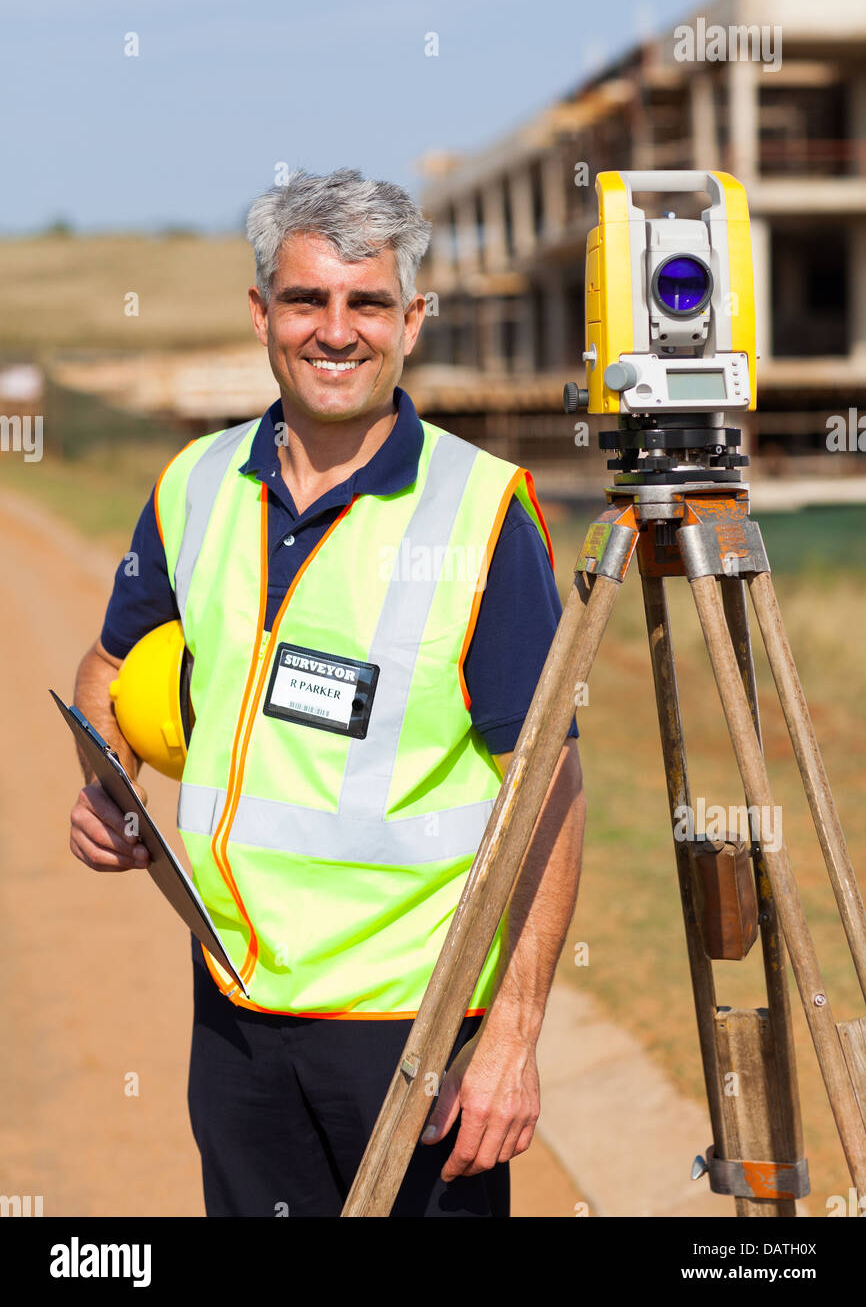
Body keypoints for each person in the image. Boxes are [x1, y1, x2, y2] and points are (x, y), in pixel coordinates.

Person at [68, 166, 585, 1218]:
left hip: (415, 1031)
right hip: (236, 1007)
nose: (335, 330)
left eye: (368, 302)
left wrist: (513, 1039)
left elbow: (546, 784)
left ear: (412, 320)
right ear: (262, 312)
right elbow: (114, 665)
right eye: (307, 299)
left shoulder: (479, 512)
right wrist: (108, 774)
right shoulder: (195, 484)